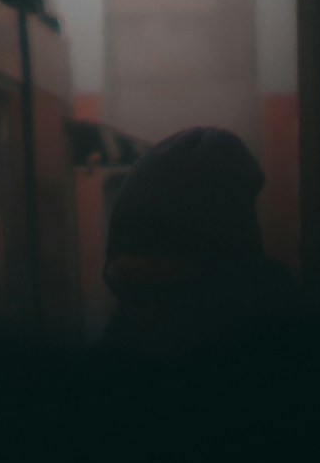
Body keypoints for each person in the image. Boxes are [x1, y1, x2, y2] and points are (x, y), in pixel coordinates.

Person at [100, 115, 297, 352]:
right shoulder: (123, 338)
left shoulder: (286, 340)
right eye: (127, 285)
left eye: (167, 294)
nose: (145, 316)